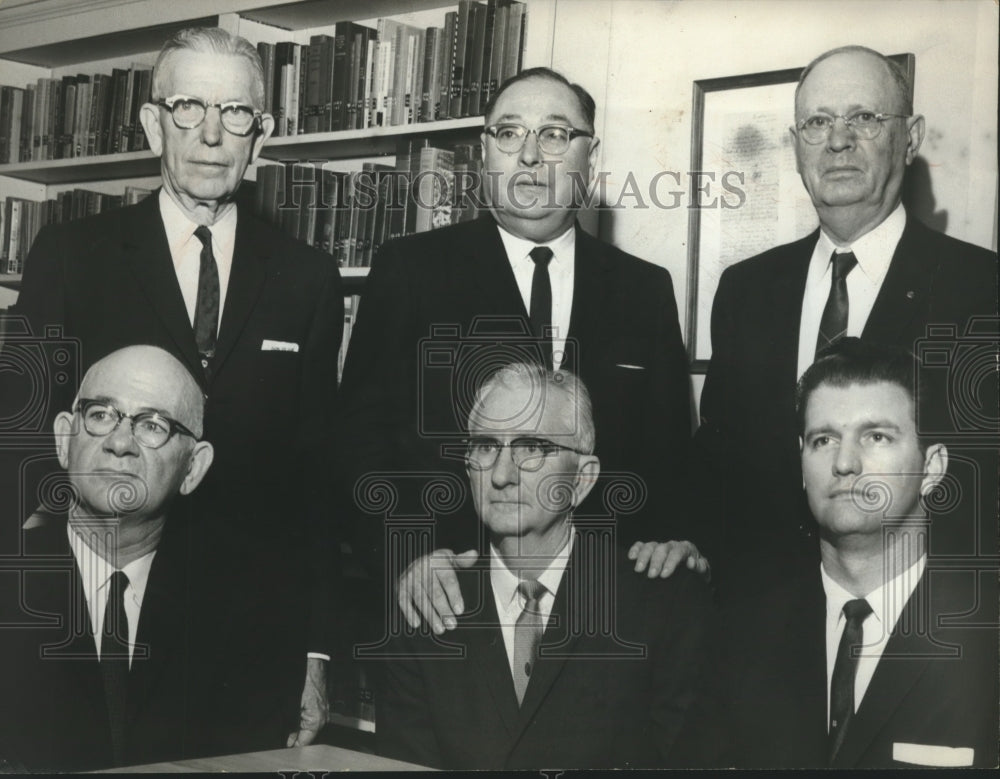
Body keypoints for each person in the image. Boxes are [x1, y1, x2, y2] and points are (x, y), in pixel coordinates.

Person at [5, 27, 343, 747]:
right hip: (96, 617)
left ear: (263, 134)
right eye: (189, 108)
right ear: (154, 121)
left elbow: (315, 481)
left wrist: (314, 652)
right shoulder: (73, 256)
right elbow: (20, 442)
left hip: (247, 632)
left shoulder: (306, 278)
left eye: (236, 114)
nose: (212, 135)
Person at [338, 66, 703, 635]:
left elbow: (669, 456)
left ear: (591, 159)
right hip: (451, 599)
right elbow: (360, 442)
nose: (530, 155)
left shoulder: (643, 289)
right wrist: (404, 557)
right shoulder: (409, 271)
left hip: (604, 610)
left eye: (555, 134)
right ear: (485, 155)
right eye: (509, 133)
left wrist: (674, 539)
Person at [694, 45, 998, 587]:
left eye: (864, 117)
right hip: (758, 616)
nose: (838, 140)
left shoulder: (979, 288)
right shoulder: (746, 290)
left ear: (911, 137)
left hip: (920, 623)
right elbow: (718, 464)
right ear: (794, 147)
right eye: (817, 122)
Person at [679, 339, 998, 768]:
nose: (844, 462)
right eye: (824, 439)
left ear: (932, 468)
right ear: (802, 467)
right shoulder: (741, 631)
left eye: (877, 436)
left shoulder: (984, 638)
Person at [377, 362, 710, 769]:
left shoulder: (658, 603)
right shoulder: (427, 608)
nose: (501, 474)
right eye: (485, 446)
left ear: (582, 479)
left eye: (531, 448)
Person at [0, 346, 220, 770]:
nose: (120, 443)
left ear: (192, 468)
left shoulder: (241, 610)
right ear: (65, 438)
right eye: (101, 414)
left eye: (153, 425)